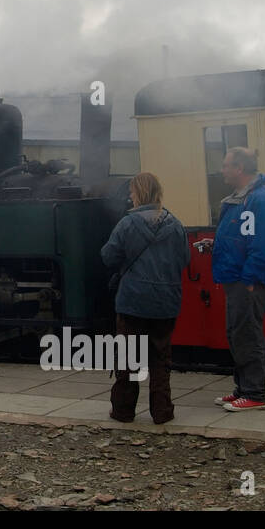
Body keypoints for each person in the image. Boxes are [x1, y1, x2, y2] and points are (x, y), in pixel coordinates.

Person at [194, 147, 265, 411]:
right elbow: (244, 237)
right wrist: (216, 244)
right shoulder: (243, 199)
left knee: (247, 334)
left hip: (247, 281)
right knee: (237, 333)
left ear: (239, 169)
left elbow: (264, 243)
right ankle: (243, 389)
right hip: (237, 278)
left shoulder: (259, 200)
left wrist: (249, 278)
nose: (221, 170)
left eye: (225, 165)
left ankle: (255, 394)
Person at [100, 172, 189, 424]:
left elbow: (108, 256)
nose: (129, 196)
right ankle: (162, 412)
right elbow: (184, 260)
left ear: (138, 193)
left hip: (133, 301)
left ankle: (123, 410)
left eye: (131, 192)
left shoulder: (127, 224)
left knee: (128, 358)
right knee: (161, 358)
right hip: (166, 302)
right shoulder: (176, 224)